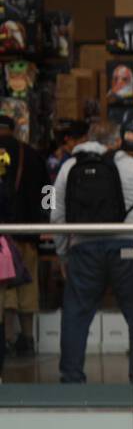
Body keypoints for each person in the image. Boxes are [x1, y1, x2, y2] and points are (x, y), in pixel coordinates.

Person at [50, 118, 133, 384]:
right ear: (118, 140)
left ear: (88, 138)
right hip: (129, 249)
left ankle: (71, 376)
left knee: (76, 314)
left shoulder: (69, 167)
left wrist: (63, 252)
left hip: (83, 249)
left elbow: (56, 216)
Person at [0, 122, 48, 378]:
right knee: (28, 285)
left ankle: (6, 338)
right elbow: (46, 192)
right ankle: (28, 339)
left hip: (1, 235)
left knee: (5, 287)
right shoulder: (32, 155)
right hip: (28, 232)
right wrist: (43, 222)